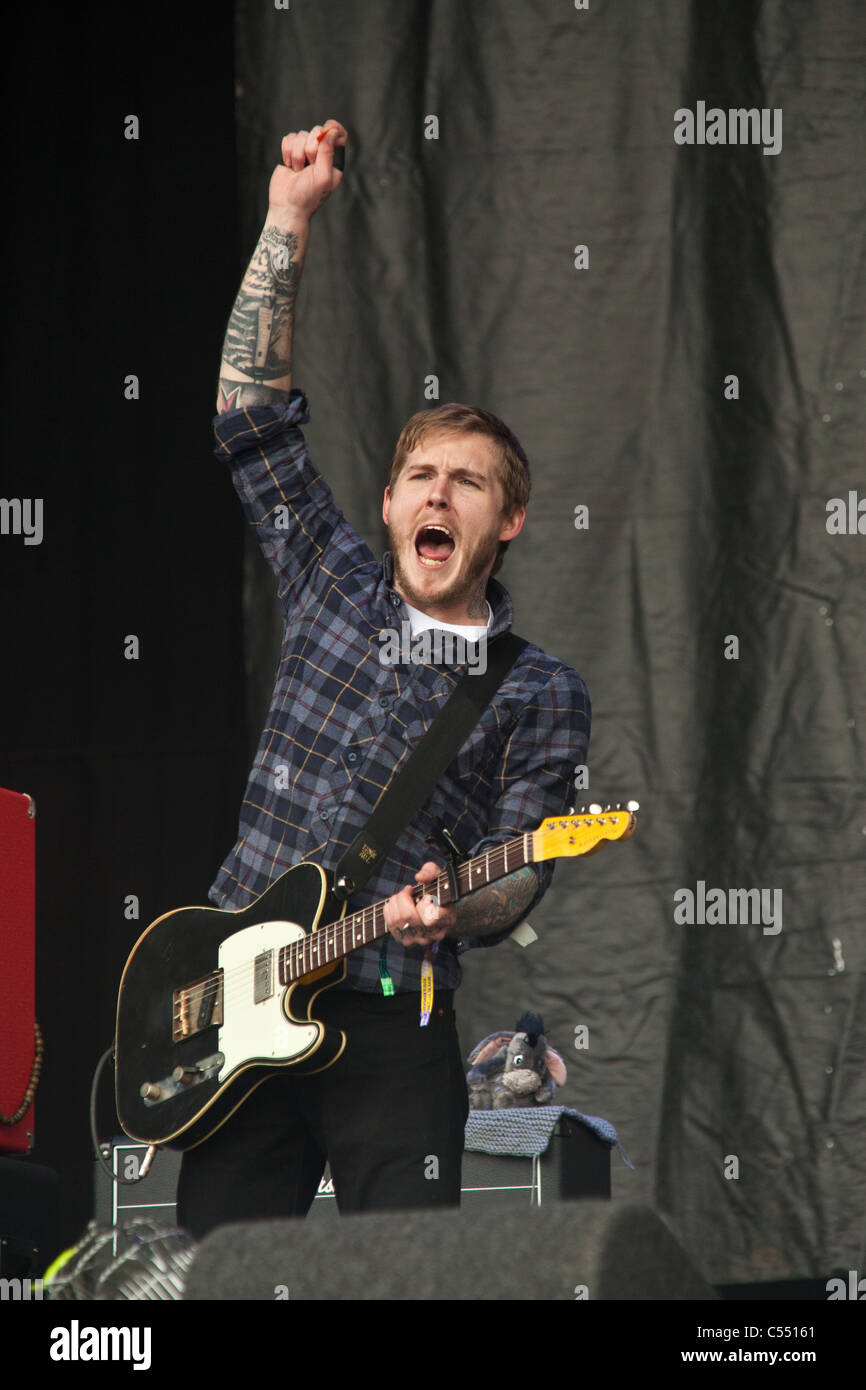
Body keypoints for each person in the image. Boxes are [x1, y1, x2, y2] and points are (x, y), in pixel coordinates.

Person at [175, 121, 591, 1237]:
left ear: (505, 521)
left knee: (399, 1281)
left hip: (392, 1020)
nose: (436, 494)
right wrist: (289, 218)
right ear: (391, 507)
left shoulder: (537, 688)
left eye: (466, 482)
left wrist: (457, 903)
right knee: (220, 1271)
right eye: (418, 475)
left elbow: (522, 870)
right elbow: (247, 417)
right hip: (239, 1007)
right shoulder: (331, 581)